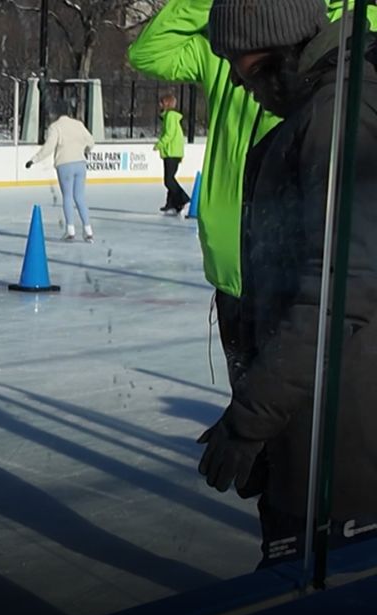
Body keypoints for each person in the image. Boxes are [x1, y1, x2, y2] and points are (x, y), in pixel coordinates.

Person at [198, 0, 377, 567]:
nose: (234, 77)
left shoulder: (338, 118)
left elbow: (337, 292)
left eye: (239, 59)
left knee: (311, 607)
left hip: (340, 457)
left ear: (275, 46)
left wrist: (252, 418)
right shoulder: (321, 112)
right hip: (313, 429)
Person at [130, 0, 377, 387]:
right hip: (231, 265)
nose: (238, 79)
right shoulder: (221, 49)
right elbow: (147, 52)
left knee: (295, 401)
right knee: (249, 398)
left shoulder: (338, 29)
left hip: (305, 275)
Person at [26, 98, 95, 242]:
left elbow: (49, 147)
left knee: (68, 197)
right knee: (80, 197)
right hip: (80, 163)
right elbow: (91, 141)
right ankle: (88, 230)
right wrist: (86, 151)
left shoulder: (55, 127)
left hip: (65, 164)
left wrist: (34, 159)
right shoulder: (78, 124)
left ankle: (70, 230)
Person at [155, 94, 190, 215]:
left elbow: (169, 134)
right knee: (170, 178)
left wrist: (159, 144)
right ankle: (172, 204)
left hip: (172, 152)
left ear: (166, 104)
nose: (159, 105)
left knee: (169, 180)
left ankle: (184, 199)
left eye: (161, 102)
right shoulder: (168, 116)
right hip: (173, 151)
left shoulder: (170, 116)